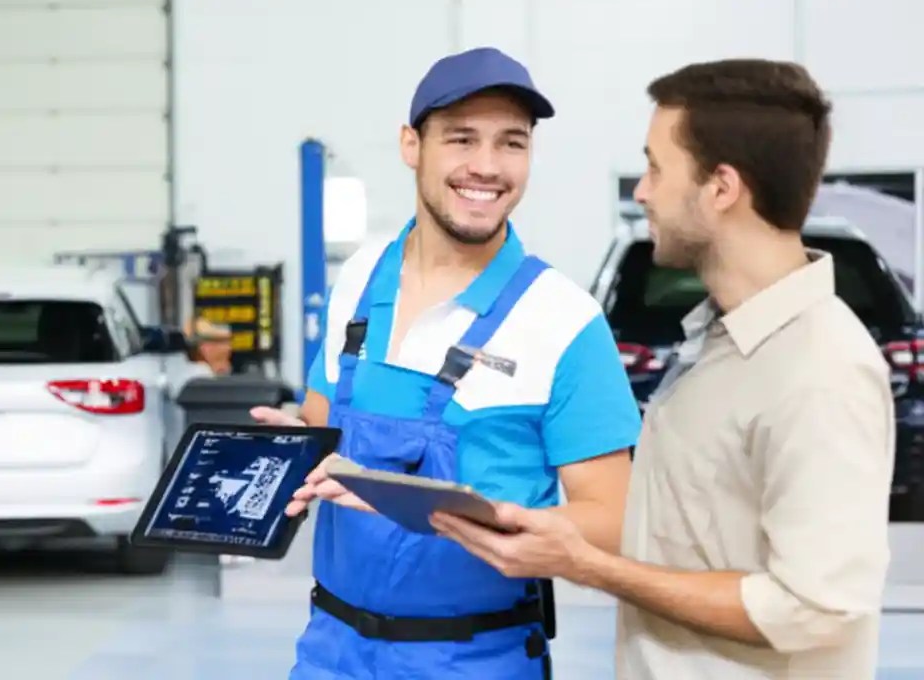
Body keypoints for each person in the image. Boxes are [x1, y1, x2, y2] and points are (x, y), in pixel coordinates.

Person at [430, 59, 895, 679]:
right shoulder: (718, 343)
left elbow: (810, 608)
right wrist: (545, 530)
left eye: (655, 167)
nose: (642, 191)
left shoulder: (819, 370)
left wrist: (585, 564)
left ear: (721, 188)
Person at [250, 46, 642, 679]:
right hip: (331, 648)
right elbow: (322, 424)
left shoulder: (564, 321)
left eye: (512, 144)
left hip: (474, 658)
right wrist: (291, 445)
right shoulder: (358, 281)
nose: (486, 167)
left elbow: (612, 522)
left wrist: (471, 519)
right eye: (462, 139)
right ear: (412, 145)